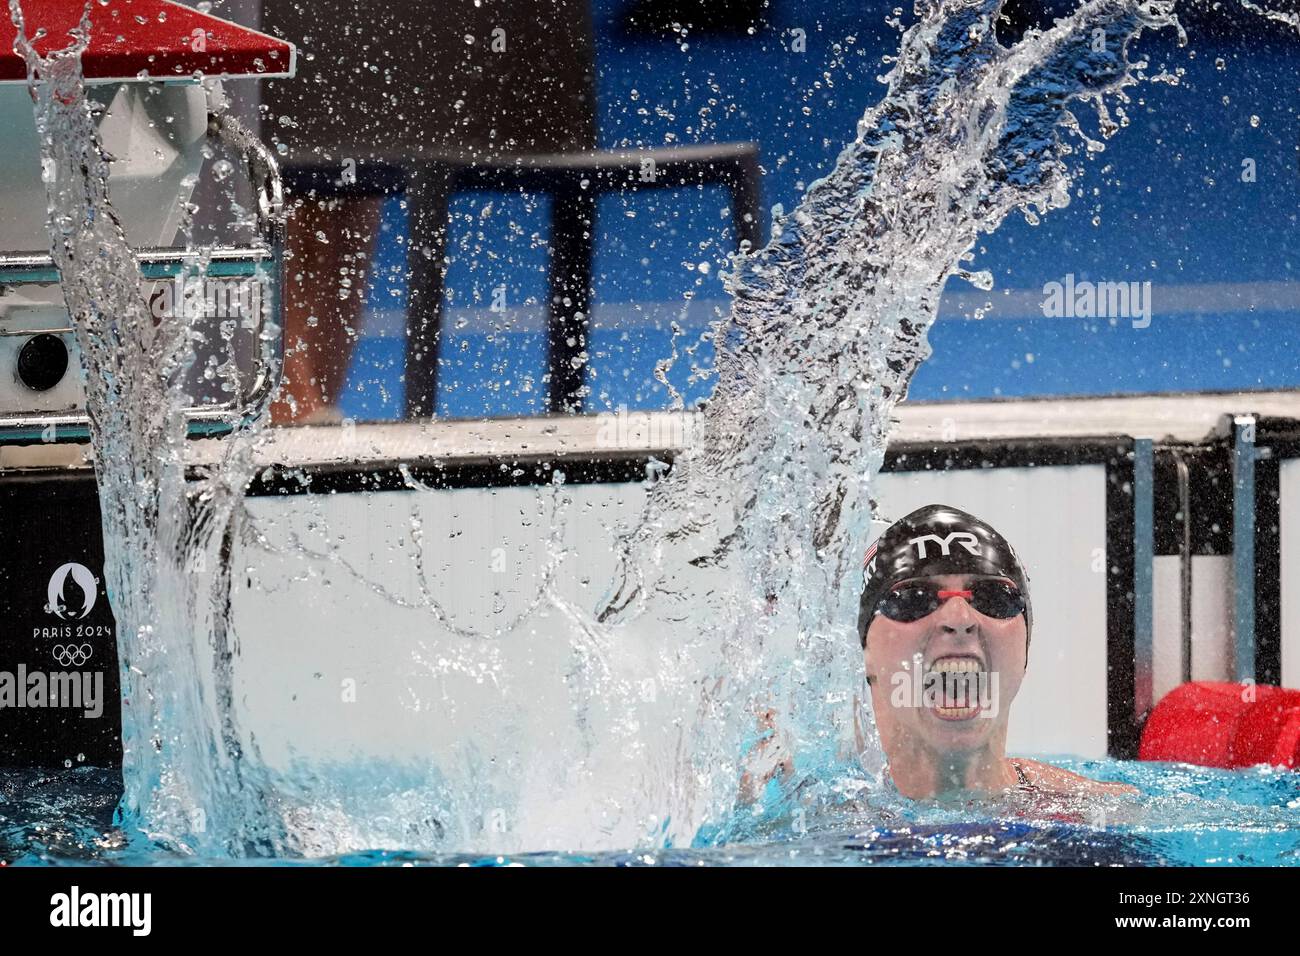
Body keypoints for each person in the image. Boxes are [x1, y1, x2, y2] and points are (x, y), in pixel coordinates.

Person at [740, 504, 1138, 804]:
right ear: (860, 650)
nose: (960, 617)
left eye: (993, 597)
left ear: (1026, 643)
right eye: (913, 599)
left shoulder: (1097, 811)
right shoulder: (804, 816)